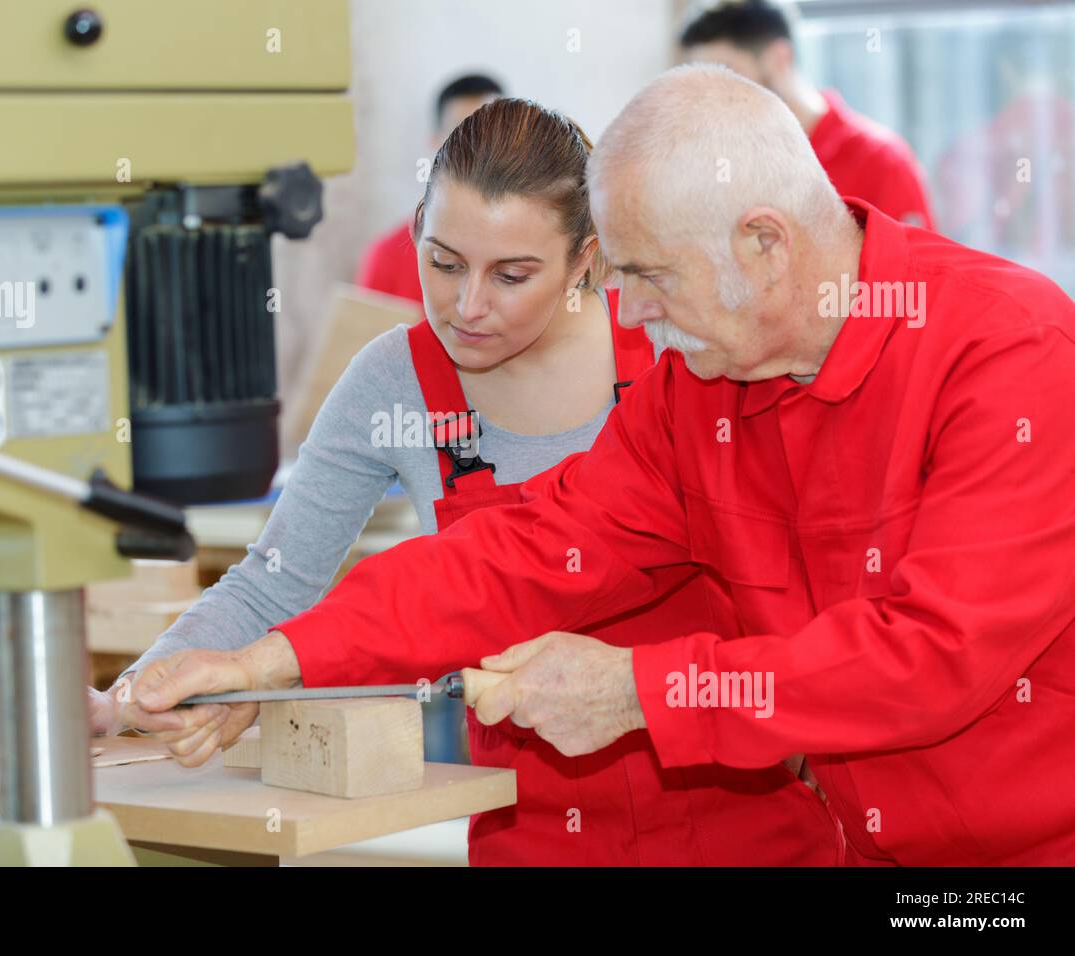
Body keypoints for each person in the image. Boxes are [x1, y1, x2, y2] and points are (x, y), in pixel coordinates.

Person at [131, 64, 1075, 867]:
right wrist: (278, 657)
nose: (625, 316)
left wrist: (643, 692)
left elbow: (930, 656)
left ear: (765, 244)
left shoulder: (1011, 355)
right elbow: (530, 548)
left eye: (648, 276)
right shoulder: (699, 389)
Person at [680, 0, 937, 229]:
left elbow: (915, 276)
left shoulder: (882, 162)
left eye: (727, 71)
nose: (712, 93)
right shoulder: (728, 164)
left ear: (779, 57)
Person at [355, 73, 505, 305]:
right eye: (463, 135)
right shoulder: (389, 256)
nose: (481, 150)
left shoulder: (545, 247)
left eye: (494, 134)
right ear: (436, 143)